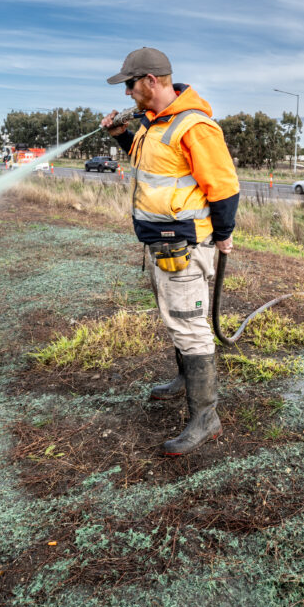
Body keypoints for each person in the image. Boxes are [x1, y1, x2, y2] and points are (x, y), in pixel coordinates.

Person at [100, 47, 240, 456]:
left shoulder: (194, 127)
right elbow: (155, 167)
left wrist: (224, 234)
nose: (127, 94)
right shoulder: (153, 125)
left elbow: (224, 186)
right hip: (161, 243)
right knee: (177, 318)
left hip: (185, 244)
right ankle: (185, 381)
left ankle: (206, 418)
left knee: (191, 327)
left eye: (130, 84)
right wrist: (121, 136)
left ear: (151, 81)